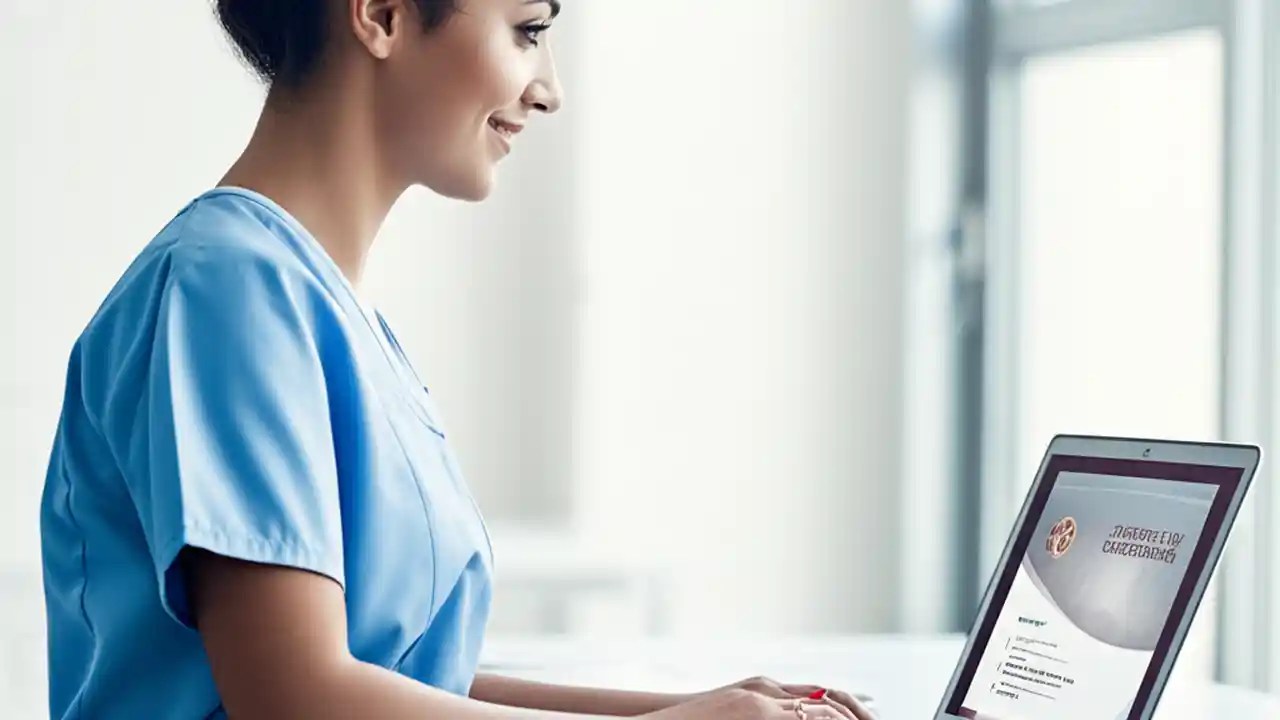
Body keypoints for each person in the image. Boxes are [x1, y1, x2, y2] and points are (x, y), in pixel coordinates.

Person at [39, 1, 875, 718]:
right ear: (382, 14)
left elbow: (395, 680)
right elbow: (295, 696)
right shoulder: (227, 289)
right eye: (526, 30)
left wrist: (686, 705)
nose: (549, 87)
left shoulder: (311, 300)